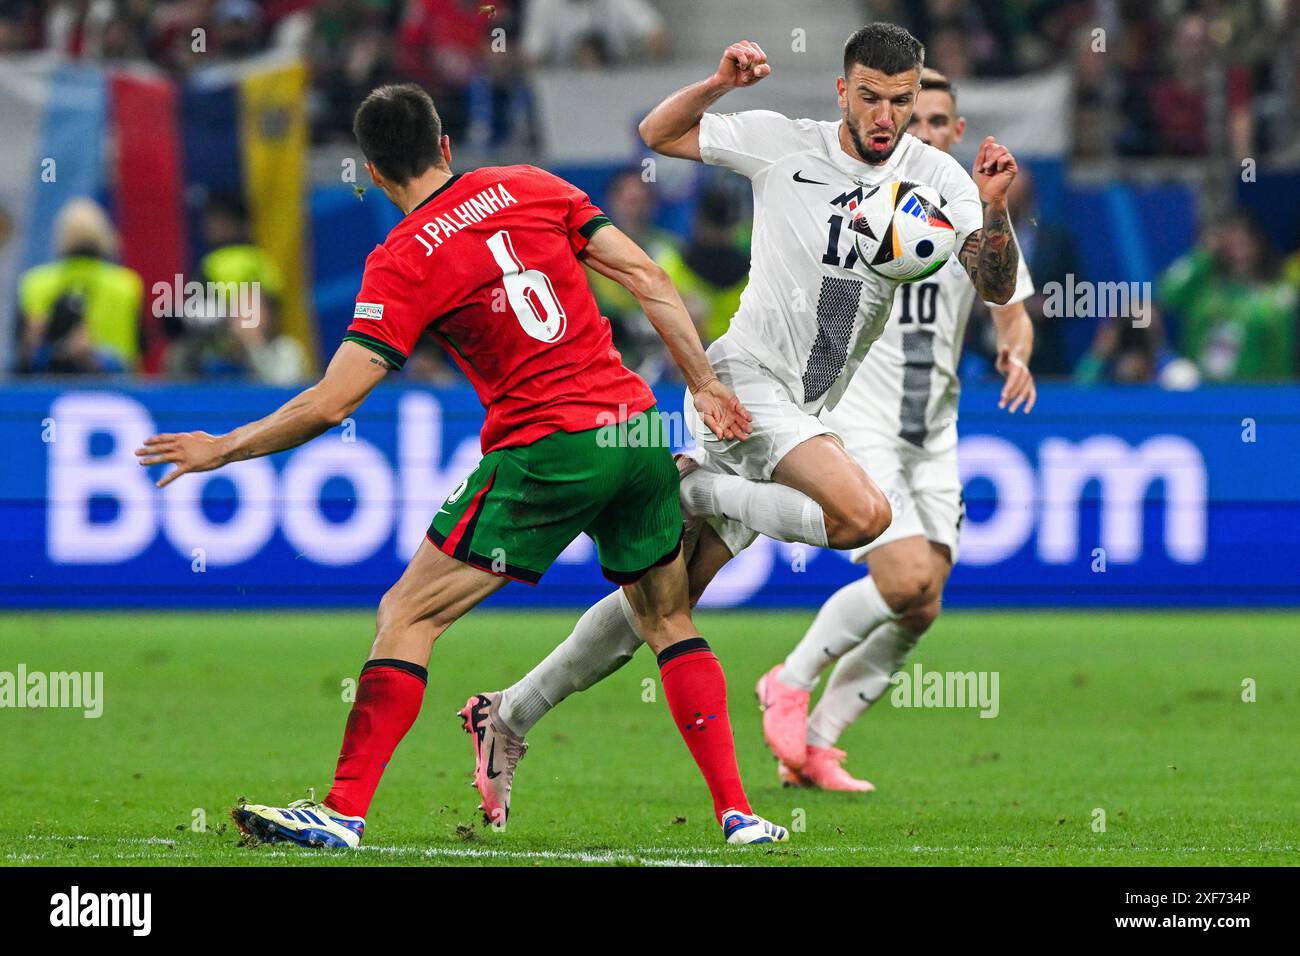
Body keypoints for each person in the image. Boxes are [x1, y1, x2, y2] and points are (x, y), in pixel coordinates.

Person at [136, 83, 787, 848]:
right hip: (636, 431)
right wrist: (703, 385)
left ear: (375, 175)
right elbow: (647, 278)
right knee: (667, 617)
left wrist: (225, 446)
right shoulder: (531, 184)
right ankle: (738, 814)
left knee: (408, 614)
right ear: (446, 146)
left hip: (549, 449)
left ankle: (344, 812)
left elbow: (331, 403)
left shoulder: (402, 259)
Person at [468, 25, 1022, 815]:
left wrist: (994, 212)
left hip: (807, 405)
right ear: (842, 90)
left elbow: (995, 286)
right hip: (746, 384)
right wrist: (720, 84)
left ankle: (507, 713)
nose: (885, 115)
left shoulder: (937, 177)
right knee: (863, 515)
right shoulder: (780, 144)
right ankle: (697, 492)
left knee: (660, 604)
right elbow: (657, 133)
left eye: (902, 101)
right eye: (870, 96)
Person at [755, 68, 1037, 789]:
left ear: (957, 132)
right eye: (916, 120)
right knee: (905, 574)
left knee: (923, 603)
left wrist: (1016, 352)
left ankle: (816, 746)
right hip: (861, 420)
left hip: (933, 431)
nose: (927, 132)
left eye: (940, 121)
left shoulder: (975, 219)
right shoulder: (863, 204)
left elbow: (1009, 304)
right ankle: (787, 682)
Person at [18, 198, 143, 372]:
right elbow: (142, 345)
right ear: (105, 236)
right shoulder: (127, 284)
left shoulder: (35, 282)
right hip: (117, 389)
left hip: (47, 382)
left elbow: (21, 347)